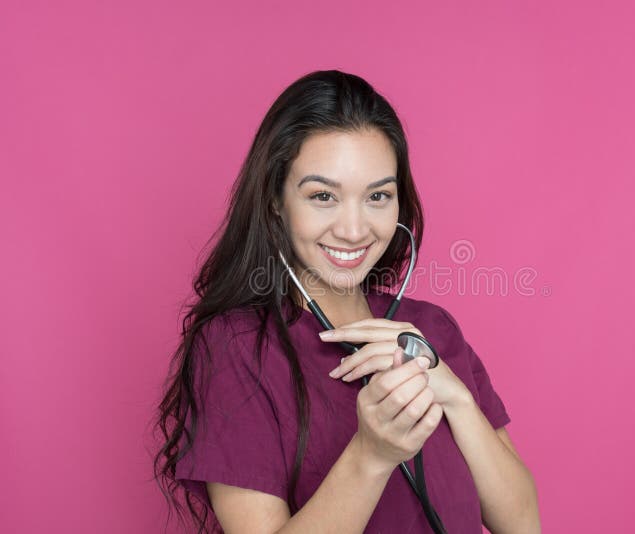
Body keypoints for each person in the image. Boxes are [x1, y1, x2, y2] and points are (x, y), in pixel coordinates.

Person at [152, 69, 541, 533]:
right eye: (323, 196)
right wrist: (371, 456)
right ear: (275, 200)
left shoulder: (432, 330)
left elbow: (522, 524)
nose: (354, 230)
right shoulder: (238, 348)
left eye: (378, 195)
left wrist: (455, 397)